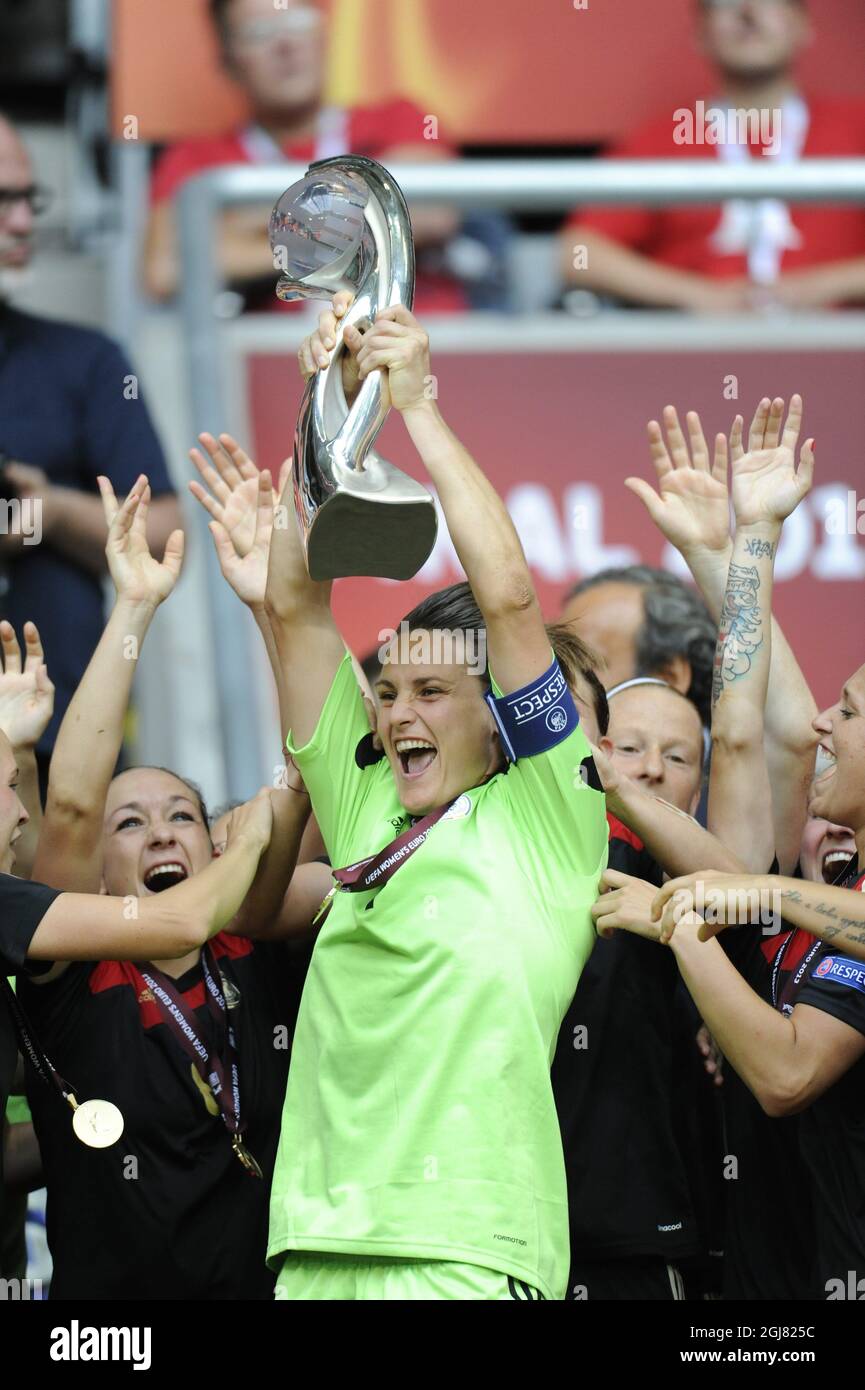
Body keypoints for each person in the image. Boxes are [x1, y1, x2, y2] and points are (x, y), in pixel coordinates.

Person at [262, 292, 608, 1302]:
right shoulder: (371, 806)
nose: (396, 712)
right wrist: (326, 402)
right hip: (316, 1245)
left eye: (431, 693)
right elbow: (293, 601)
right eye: (388, 689)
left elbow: (504, 596)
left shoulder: (548, 819)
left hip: (466, 1251)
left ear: (495, 711)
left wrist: (415, 403)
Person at [19, 471, 328, 1300]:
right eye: (132, 825)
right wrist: (133, 607)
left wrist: (278, 604)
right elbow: (74, 804)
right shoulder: (73, 971)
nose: (159, 831)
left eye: (182, 816)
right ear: (99, 867)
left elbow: (330, 771)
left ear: (212, 838)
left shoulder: (257, 940)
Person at [595, 416, 865, 1295]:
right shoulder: (780, 892)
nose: (827, 723)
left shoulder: (759, 891)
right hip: (753, 1263)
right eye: (625, 749)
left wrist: (687, 917)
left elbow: (756, 731)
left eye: (677, 757)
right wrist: (737, 548)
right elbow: (766, 729)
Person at [0, 114, 182, 782]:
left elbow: (165, 537)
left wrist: (43, 511)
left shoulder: (88, 360)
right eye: (2, 201)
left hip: (62, 746)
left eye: (27, 199)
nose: (22, 223)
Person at [144, 0, 468, 313]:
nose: (284, 43)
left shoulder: (400, 120)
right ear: (228, 62)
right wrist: (356, 212)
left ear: (324, 35)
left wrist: (244, 225)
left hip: (409, 348)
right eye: (258, 32)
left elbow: (431, 215)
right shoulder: (194, 159)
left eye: (297, 22)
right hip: (268, 357)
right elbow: (165, 269)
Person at [561, 0, 865, 312]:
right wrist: (695, 295)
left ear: (804, 27)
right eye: (725, 3)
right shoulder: (661, 139)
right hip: (698, 348)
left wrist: (824, 287)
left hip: (840, 345)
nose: (747, 12)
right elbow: (579, 254)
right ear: (700, 35)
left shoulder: (857, 128)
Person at [562, 567, 717, 725]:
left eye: (582, 664)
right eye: (558, 660)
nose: (555, 680)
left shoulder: (734, 747)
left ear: (667, 677)